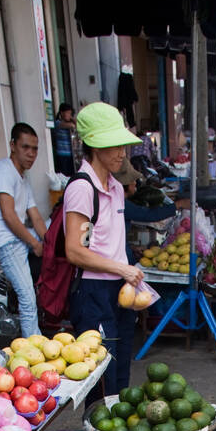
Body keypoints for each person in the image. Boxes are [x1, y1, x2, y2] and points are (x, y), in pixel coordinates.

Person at [61, 102, 144, 396]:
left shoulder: (116, 186)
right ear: (94, 146)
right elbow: (75, 251)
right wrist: (121, 268)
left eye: (123, 145)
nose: (122, 152)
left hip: (121, 292)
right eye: (114, 145)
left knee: (121, 374)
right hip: (94, 294)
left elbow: (112, 244)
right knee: (100, 378)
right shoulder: (82, 189)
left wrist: (128, 269)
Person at [0, 123, 47, 337]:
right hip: (7, 242)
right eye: (25, 147)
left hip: (20, 239)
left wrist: (50, 241)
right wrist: (35, 243)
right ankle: (34, 351)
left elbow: (35, 215)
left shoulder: (23, 178)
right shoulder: (3, 172)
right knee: (27, 299)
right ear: (13, 146)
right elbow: (9, 216)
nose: (31, 153)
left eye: (35, 149)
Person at [51, 103, 78, 177]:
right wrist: (71, 119)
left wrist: (71, 118)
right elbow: (72, 126)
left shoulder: (68, 123)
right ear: (62, 113)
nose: (69, 115)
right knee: (64, 176)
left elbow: (78, 125)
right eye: (67, 113)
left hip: (70, 155)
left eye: (70, 113)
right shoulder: (58, 123)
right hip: (61, 155)